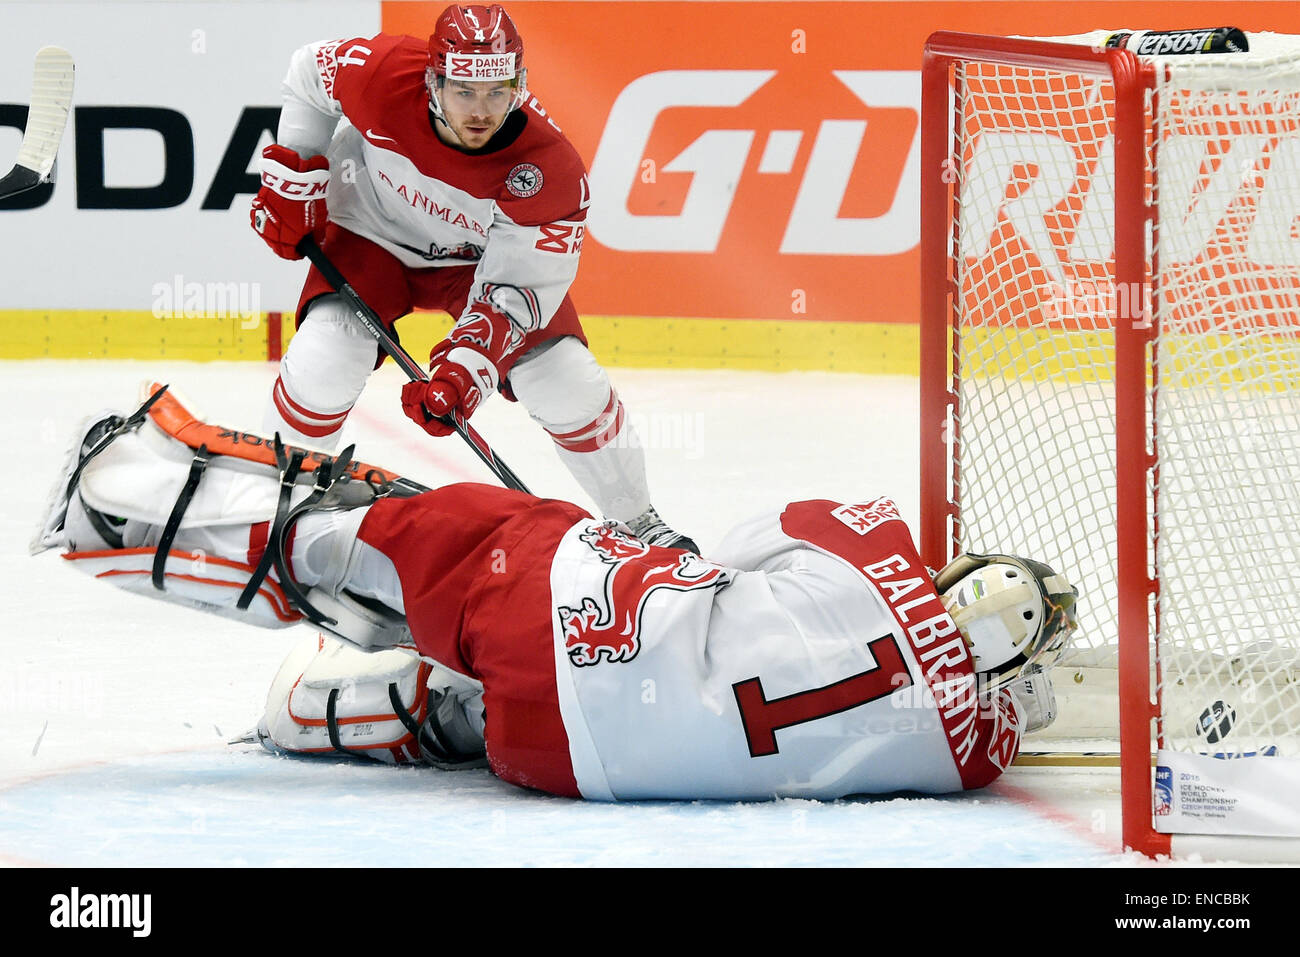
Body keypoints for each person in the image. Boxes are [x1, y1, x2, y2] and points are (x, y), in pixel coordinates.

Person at [34, 386, 1079, 801]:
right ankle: (334, 715)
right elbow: (1003, 717)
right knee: (492, 710)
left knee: (396, 526)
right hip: (572, 765)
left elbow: (737, 543)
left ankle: (125, 509)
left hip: (563, 610)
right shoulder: (968, 757)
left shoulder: (876, 546)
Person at [249, 3, 695, 551]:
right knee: (323, 361)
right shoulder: (383, 71)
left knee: (568, 385)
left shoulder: (550, 170)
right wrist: (297, 174)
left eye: (497, 92)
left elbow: (518, 291)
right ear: (433, 82)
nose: (481, 111)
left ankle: (639, 522)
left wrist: (464, 373)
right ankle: (292, 499)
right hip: (372, 234)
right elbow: (307, 73)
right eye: (464, 91)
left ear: (519, 85)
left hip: (480, 264)